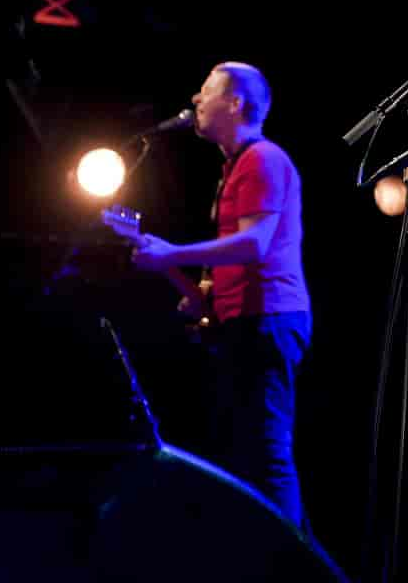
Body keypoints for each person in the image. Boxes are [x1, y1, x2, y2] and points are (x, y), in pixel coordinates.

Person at [131, 62, 313, 533]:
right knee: (247, 457)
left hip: (268, 317)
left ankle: (294, 565)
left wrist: (173, 252)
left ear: (235, 103)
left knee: (268, 457)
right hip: (245, 320)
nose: (195, 99)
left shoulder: (263, 158)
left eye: (206, 91)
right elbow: (238, 257)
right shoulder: (233, 167)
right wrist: (201, 291)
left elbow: (255, 244)